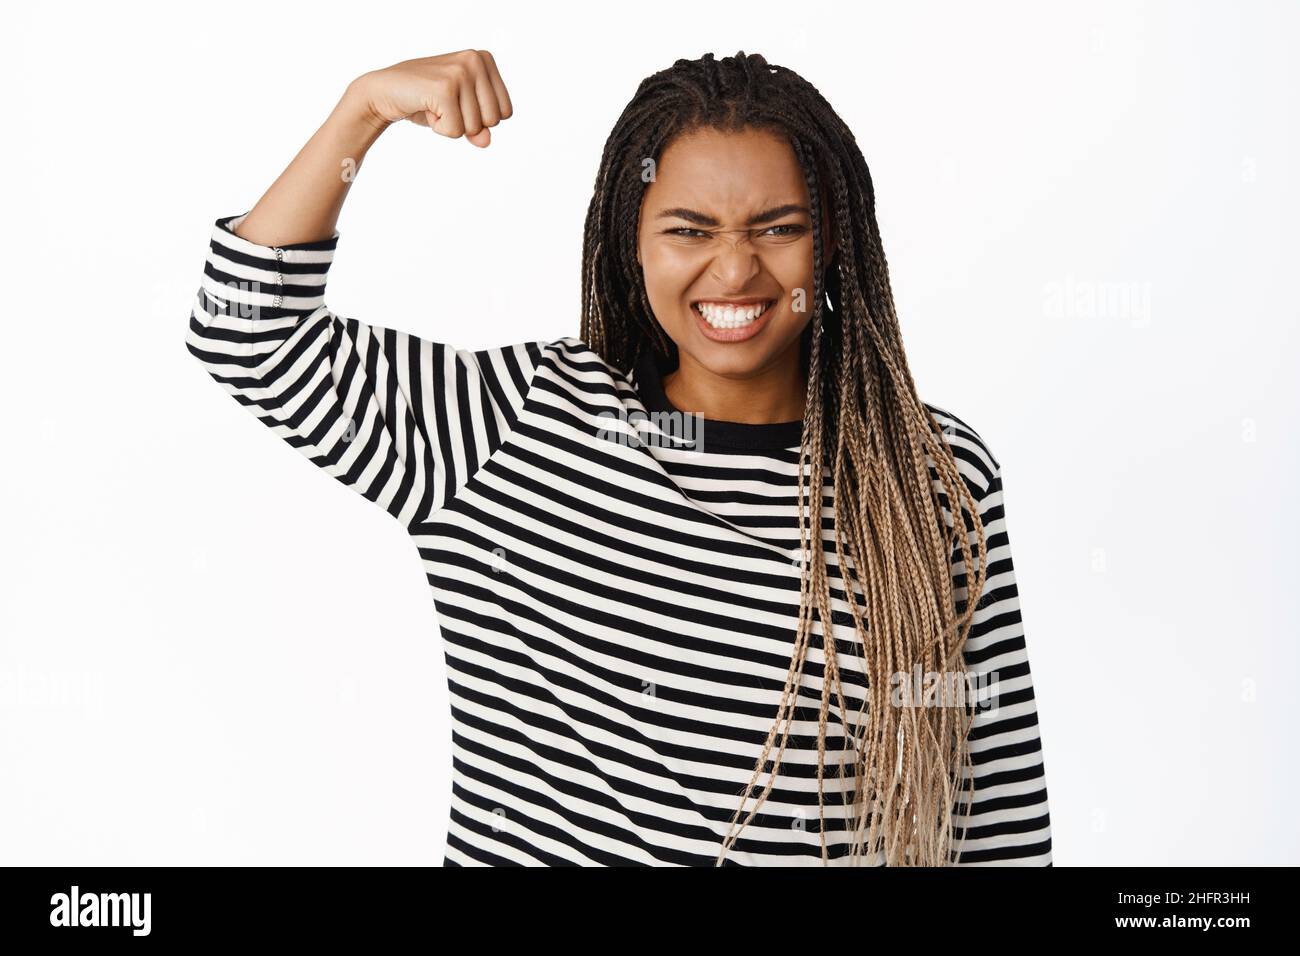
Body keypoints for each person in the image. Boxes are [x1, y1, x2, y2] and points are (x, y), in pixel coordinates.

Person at [185, 49, 1053, 866]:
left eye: (778, 228)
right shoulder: (515, 427)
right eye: (689, 229)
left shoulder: (933, 476)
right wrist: (361, 110)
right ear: (631, 242)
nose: (735, 269)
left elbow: (1000, 825)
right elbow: (243, 331)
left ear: (832, 247)